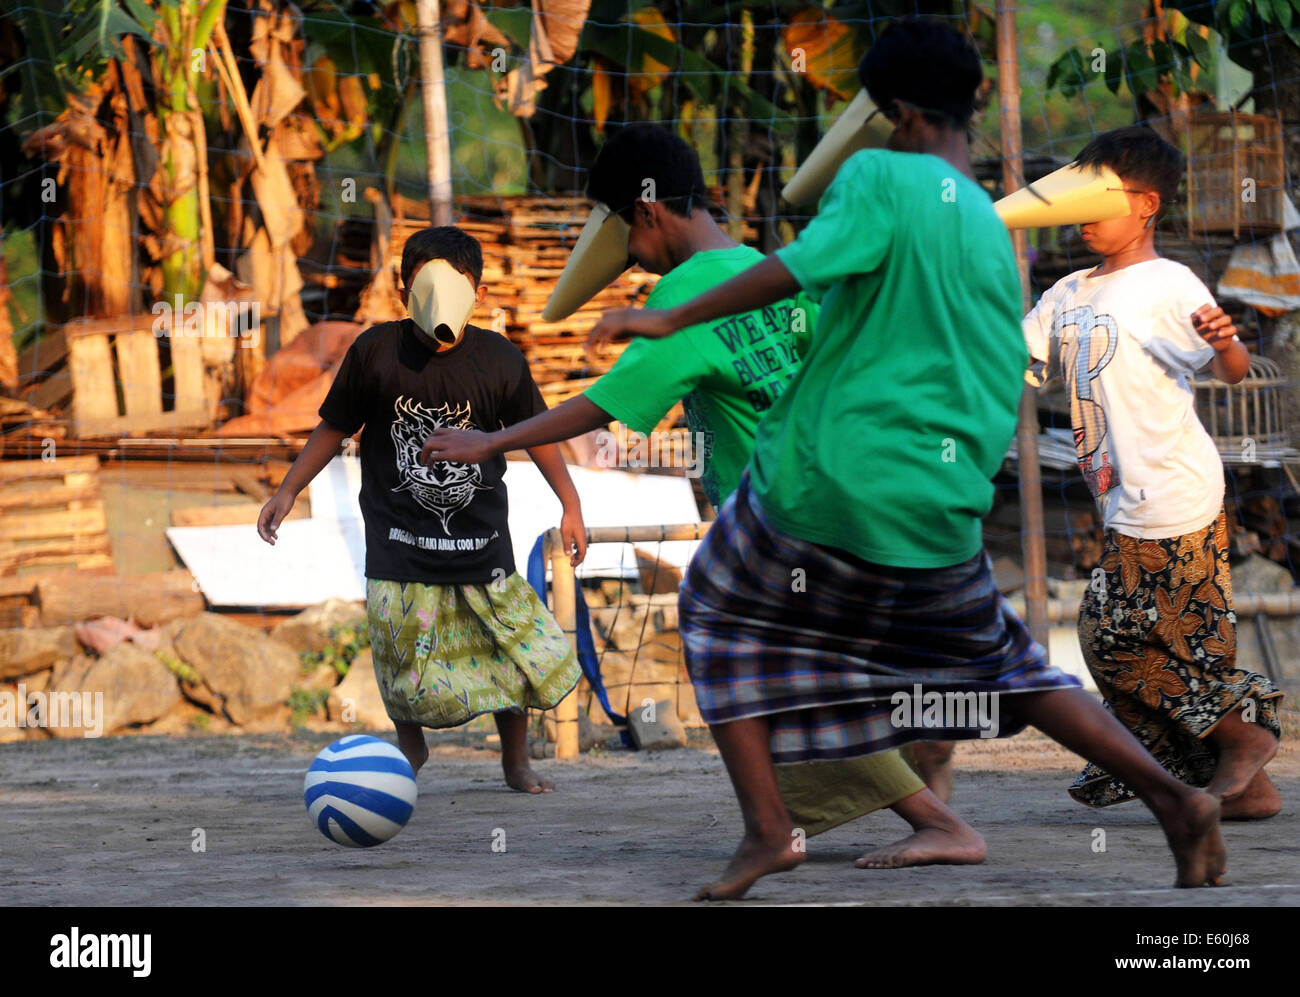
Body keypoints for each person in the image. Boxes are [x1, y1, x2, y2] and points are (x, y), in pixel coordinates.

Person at [587, 16, 1226, 900]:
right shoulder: (992, 240)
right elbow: (1001, 365)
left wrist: (666, 316)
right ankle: (1176, 799)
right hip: (942, 504)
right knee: (1010, 669)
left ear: (891, 109)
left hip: (826, 483)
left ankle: (771, 830)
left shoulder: (881, 176)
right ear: (967, 104)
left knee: (713, 606)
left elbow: (799, 267)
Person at [422, 122, 986, 869]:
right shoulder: (772, 269)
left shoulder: (686, 292)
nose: (626, 259)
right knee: (804, 671)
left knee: (758, 665)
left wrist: (489, 441)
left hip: (780, 521)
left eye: (624, 236)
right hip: (855, 506)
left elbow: (605, 403)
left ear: (648, 214)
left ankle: (916, 820)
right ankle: (865, 801)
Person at [257, 226, 587, 794]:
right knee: (399, 650)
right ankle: (410, 744)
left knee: (509, 650)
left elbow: (538, 435)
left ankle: (516, 759)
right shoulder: (375, 352)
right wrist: (288, 490)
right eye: (423, 281)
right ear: (404, 288)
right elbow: (334, 426)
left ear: (477, 290)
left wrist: (571, 503)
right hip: (399, 543)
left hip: (482, 545)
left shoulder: (500, 359)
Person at [1022, 126, 1283, 819]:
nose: (1079, 213)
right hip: (1123, 502)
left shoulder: (1170, 283)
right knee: (1174, 652)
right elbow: (1011, 361)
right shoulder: (1067, 292)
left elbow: (1225, 369)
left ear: (1145, 204)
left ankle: (1242, 735)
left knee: (1114, 640)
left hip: (1176, 494)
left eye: (1096, 197)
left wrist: (1228, 345)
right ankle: (1248, 788)